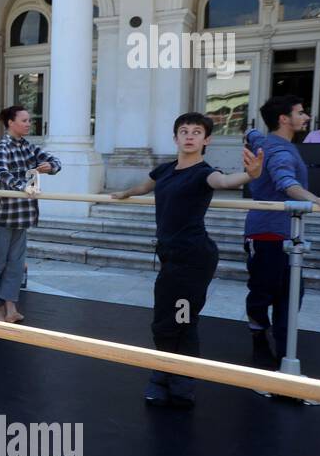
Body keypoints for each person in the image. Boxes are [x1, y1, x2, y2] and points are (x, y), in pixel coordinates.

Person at [111, 113, 263, 408]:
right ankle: (176, 380)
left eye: (196, 132)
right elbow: (145, 187)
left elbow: (226, 181)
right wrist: (123, 193)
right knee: (175, 321)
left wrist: (250, 175)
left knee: (174, 321)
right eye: (184, 131)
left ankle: (171, 380)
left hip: (193, 258)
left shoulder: (204, 172)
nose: (190, 136)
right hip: (171, 257)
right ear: (176, 137)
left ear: (207, 140)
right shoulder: (165, 170)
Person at [243, 95, 320, 380]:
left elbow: (251, 134)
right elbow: (286, 182)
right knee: (265, 292)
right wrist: (316, 199)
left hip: (285, 233)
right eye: (301, 112)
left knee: (291, 293)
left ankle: (284, 348)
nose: (307, 117)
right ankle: (260, 341)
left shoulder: (264, 140)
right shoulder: (280, 152)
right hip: (267, 234)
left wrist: (250, 134)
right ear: (284, 119)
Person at [0, 106, 61, 323]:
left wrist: (50, 167)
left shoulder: (29, 147)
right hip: (1, 217)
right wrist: (23, 186)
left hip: (22, 217)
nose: (29, 123)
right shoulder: (2, 147)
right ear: (11, 122)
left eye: (29, 120)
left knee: (16, 266)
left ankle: (11, 308)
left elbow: (55, 162)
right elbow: (0, 173)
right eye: (24, 120)